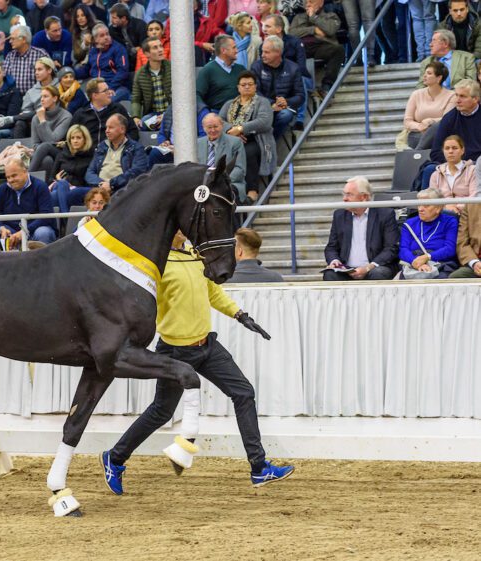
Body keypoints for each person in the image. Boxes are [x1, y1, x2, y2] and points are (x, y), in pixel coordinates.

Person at [99, 229, 291, 496]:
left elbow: (211, 291)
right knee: (161, 412)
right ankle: (115, 458)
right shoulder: (158, 261)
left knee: (243, 393)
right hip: (175, 352)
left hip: (207, 345)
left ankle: (259, 467)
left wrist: (240, 315)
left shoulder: (195, 254)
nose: (185, 229)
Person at [323, 176, 400, 281]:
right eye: (344, 194)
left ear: (363, 197)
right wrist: (334, 261)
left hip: (375, 267)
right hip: (347, 269)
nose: (344, 199)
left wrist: (368, 267)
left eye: (349, 194)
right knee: (330, 274)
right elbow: (331, 247)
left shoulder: (385, 214)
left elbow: (391, 248)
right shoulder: (339, 215)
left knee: (379, 273)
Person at [220, 71, 276, 203]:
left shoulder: (262, 102)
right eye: (243, 84)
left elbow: (264, 121)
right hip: (232, 140)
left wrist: (240, 129)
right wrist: (231, 131)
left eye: (250, 84)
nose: (246, 87)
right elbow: (220, 120)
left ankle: (252, 191)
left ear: (255, 87)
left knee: (248, 152)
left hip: (256, 139)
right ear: (238, 87)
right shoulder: (229, 104)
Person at [0, 157, 56, 247]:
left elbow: (46, 216)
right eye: (8, 177)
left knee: (44, 233)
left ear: (25, 172)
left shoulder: (40, 186)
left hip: (33, 230)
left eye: (14, 175)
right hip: (10, 232)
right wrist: (1, 228)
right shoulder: (3, 189)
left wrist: (24, 231)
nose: (11, 180)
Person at [80, 113, 148, 197]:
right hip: (99, 188)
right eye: (106, 127)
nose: (106, 131)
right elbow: (90, 172)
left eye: (111, 127)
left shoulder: (136, 148)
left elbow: (137, 171)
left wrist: (111, 184)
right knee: (71, 193)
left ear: (122, 129)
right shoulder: (102, 146)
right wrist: (102, 185)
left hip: (122, 189)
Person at [398, 187, 460, 278]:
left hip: (440, 263)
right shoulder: (409, 223)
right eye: (419, 205)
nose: (420, 209)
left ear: (438, 208)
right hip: (413, 264)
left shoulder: (450, 222)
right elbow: (403, 250)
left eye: (426, 205)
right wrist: (417, 263)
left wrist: (428, 257)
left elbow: (450, 249)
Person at [250, 36, 304, 139]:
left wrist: (286, 101)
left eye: (267, 52)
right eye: (262, 51)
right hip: (262, 107)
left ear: (278, 52)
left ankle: (272, 140)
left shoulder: (293, 68)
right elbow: (254, 92)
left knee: (286, 115)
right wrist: (271, 104)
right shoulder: (256, 67)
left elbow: (300, 96)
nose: (262, 55)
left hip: (283, 108)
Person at [289, 0, 344, 98]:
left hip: (321, 47)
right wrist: (313, 30)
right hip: (302, 48)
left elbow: (330, 30)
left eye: (311, 1)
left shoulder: (330, 16)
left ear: (321, 3)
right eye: (306, 1)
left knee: (338, 49)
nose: (308, 4)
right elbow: (291, 33)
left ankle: (327, 86)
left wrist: (314, 17)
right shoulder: (298, 17)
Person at [70, 78, 140, 147]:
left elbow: (133, 131)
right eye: (105, 91)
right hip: (88, 155)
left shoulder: (118, 109)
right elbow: (70, 138)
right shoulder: (80, 114)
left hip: (115, 154)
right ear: (95, 95)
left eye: (108, 89)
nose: (110, 92)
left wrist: (122, 146)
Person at [403, 60, 456, 150]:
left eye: (429, 73)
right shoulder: (416, 94)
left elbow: (447, 119)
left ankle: (417, 153)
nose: (424, 76)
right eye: (425, 73)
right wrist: (419, 126)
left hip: (441, 134)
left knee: (437, 128)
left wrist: (430, 121)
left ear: (439, 78)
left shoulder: (452, 95)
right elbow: (407, 121)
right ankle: (419, 152)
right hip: (417, 134)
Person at [196, 113, 248, 202]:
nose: (213, 130)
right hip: (203, 185)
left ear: (222, 126)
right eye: (209, 127)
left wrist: (219, 181)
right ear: (204, 128)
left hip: (229, 183)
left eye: (216, 126)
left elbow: (240, 169)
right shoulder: (197, 143)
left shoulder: (235, 142)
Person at [429, 79, 481, 168]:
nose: (457, 100)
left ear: (475, 99)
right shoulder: (449, 118)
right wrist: (456, 164)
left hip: (478, 164)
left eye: (463, 96)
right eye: (456, 95)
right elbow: (435, 152)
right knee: (429, 169)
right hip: (454, 165)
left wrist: (475, 162)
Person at [74, 23, 131, 102]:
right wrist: (72, 74)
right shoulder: (93, 51)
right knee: (80, 100)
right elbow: (87, 69)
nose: (106, 37)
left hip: (117, 87)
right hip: (97, 87)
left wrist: (111, 87)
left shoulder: (118, 49)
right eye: (102, 35)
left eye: (107, 34)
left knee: (105, 102)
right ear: (95, 39)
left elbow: (123, 72)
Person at [28, 85, 72, 175]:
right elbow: (34, 144)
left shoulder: (66, 116)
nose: (42, 99)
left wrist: (43, 120)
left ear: (55, 98)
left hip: (60, 152)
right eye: (41, 97)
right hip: (40, 153)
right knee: (47, 160)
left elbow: (53, 141)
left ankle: (27, 176)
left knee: (46, 146)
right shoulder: (36, 118)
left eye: (45, 96)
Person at [196, 35, 247, 113]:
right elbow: (197, 95)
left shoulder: (241, 69)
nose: (237, 51)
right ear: (223, 50)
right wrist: (205, 113)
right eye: (234, 48)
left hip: (241, 114)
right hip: (217, 116)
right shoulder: (208, 70)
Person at [427, 135, 478, 213]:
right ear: (443, 151)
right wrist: (446, 207)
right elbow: (433, 198)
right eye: (447, 148)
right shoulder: (435, 175)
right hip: (443, 212)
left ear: (462, 150)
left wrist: (458, 208)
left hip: (467, 212)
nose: (450, 151)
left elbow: (474, 196)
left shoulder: (472, 171)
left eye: (455, 148)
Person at [130, 37, 171, 132]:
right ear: (147, 54)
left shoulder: (172, 68)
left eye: (161, 46)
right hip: (153, 114)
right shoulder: (140, 73)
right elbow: (136, 98)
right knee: (142, 124)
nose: (160, 50)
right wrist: (135, 116)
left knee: (169, 123)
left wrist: (166, 115)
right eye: (155, 48)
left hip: (172, 112)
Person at [12, 56, 56, 139]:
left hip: (54, 120)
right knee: (20, 122)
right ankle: (17, 148)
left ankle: (11, 119)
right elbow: (25, 112)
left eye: (39, 69)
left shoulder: (59, 86)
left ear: (49, 70)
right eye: (35, 70)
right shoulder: (31, 92)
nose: (36, 72)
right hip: (34, 122)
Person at [3, 24, 50, 95]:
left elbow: (51, 77)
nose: (10, 41)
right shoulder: (10, 56)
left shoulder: (40, 54)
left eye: (13, 39)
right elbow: (4, 79)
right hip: (13, 99)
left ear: (24, 39)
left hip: (36, 98)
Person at [49, 124, 94, 194]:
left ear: (85, 140)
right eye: (72, 138)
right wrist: (60, 181)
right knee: (59, 188)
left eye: (78, 138)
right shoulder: (62, 155)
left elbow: (89, 181)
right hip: (59, 187)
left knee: (57, 191)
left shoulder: (91, 157)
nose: (75, 141)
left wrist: (70, 186)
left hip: (79, 190)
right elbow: (51, 178)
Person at [108, 3, 147, 69]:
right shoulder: (112, 29)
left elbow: (144, 48)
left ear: (123, 18)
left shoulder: (140, 25)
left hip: (141, 59)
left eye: (114, 18)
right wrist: (133, 50)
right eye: (111, 17)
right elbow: (119, 50)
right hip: (124, 60)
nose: (112, 21)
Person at [450, 201, 481, 278]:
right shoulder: (470, 206)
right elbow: (462, 242)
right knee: (456, 277)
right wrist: (474, 263)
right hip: (478, 261)